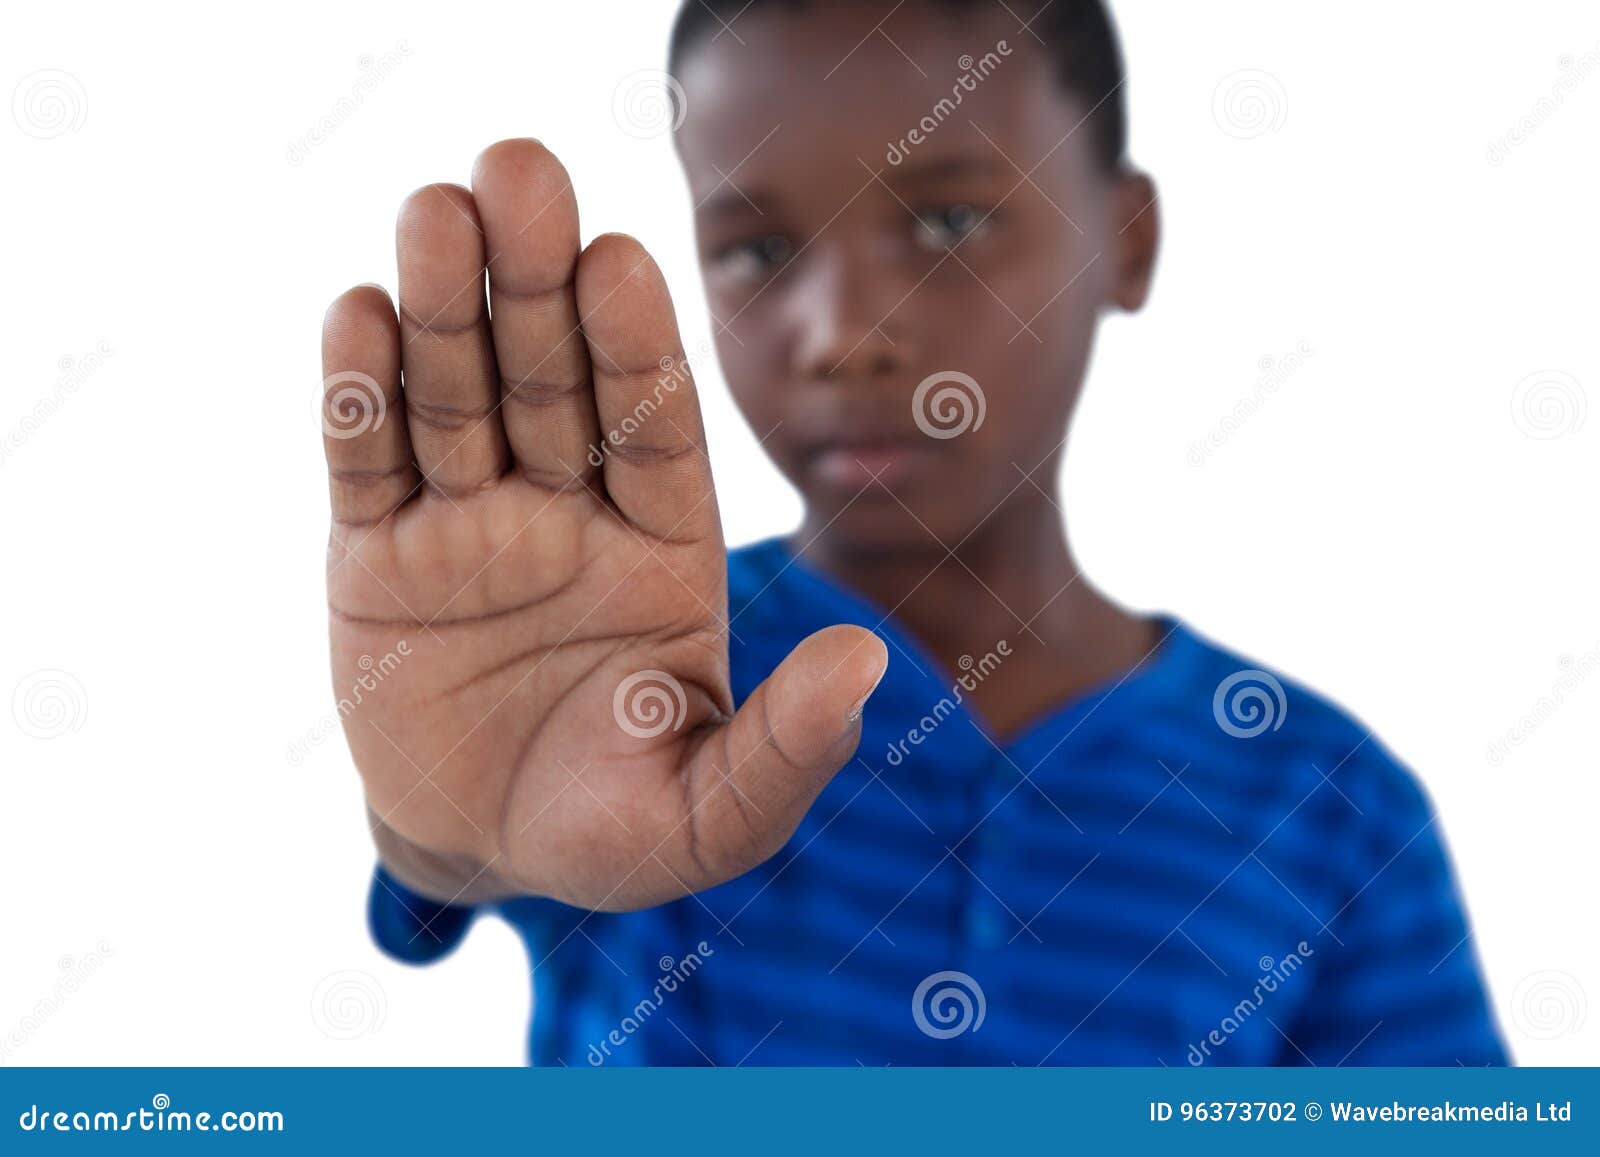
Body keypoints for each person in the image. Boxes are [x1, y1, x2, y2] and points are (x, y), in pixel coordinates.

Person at [318, 0, 1505, 1065]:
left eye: (946, 223)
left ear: (1124, 238)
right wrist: (449, 838)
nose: (844, 333)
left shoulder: (1324, 805)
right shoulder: (611, 666)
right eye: (757, 250)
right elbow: (465, 850)